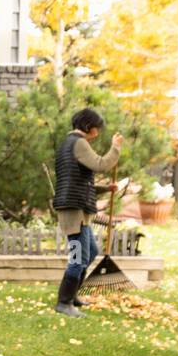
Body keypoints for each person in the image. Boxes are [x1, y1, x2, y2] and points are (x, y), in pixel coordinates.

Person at [52, 108, 123, 317]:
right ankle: (63, 303)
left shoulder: (68, 144)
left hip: (76, 210)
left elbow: (76, 179)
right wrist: (115, 148)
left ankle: (72, 296)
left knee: (89, 251)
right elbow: (101, 164)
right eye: (96, 128)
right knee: (77, 258)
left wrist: (104, 189)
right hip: (73, 211)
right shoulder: (78, 142)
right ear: (87, 127)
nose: (97, 133)